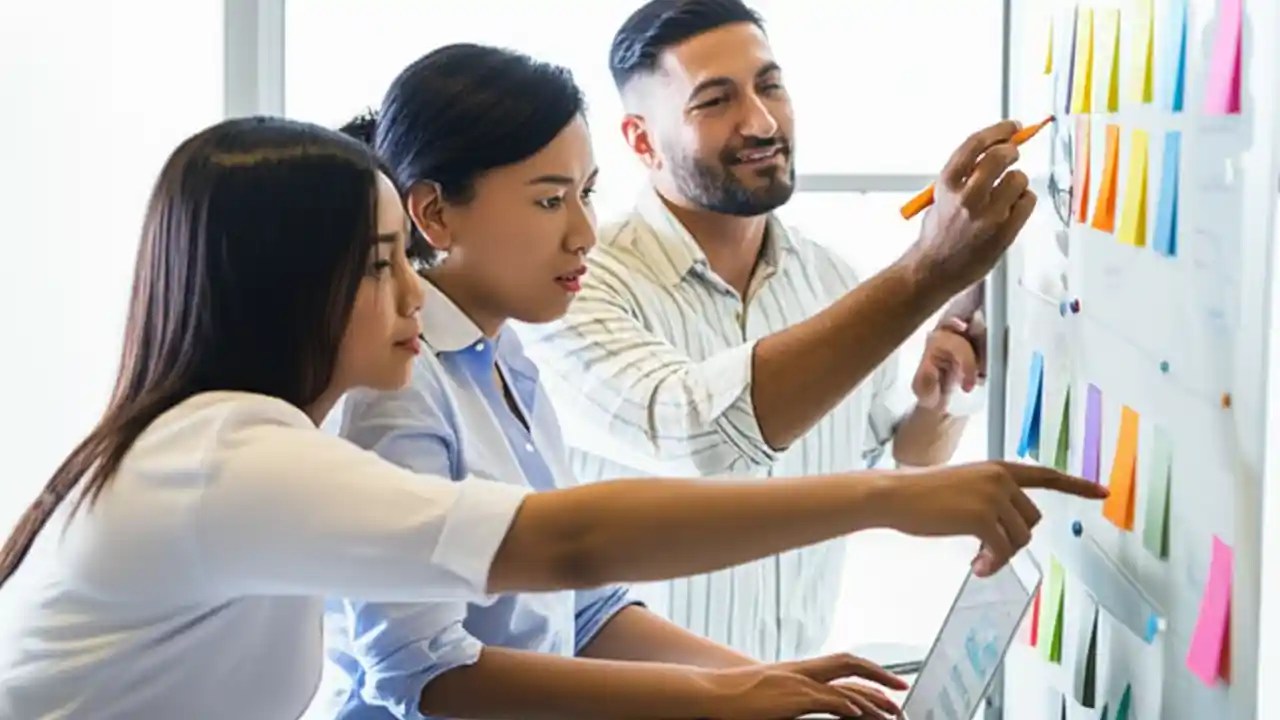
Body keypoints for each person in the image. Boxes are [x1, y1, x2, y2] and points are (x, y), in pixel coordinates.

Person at [0, 116, 1104, 720]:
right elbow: (557, 547)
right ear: (287, 286)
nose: (412, 293)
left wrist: (749, 685)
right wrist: (887, 500)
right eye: (384, 263)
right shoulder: (219, 452)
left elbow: (575, 590)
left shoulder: (250, 436)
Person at [518, 0, 1037, 662]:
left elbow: (899, 457)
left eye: (770, 85)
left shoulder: (834, 281)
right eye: (715, 101)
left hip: (782, 693)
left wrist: (945, 396)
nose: (761, 122)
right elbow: (700, 433)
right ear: (643, 141)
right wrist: (925, 273)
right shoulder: (575, 284)